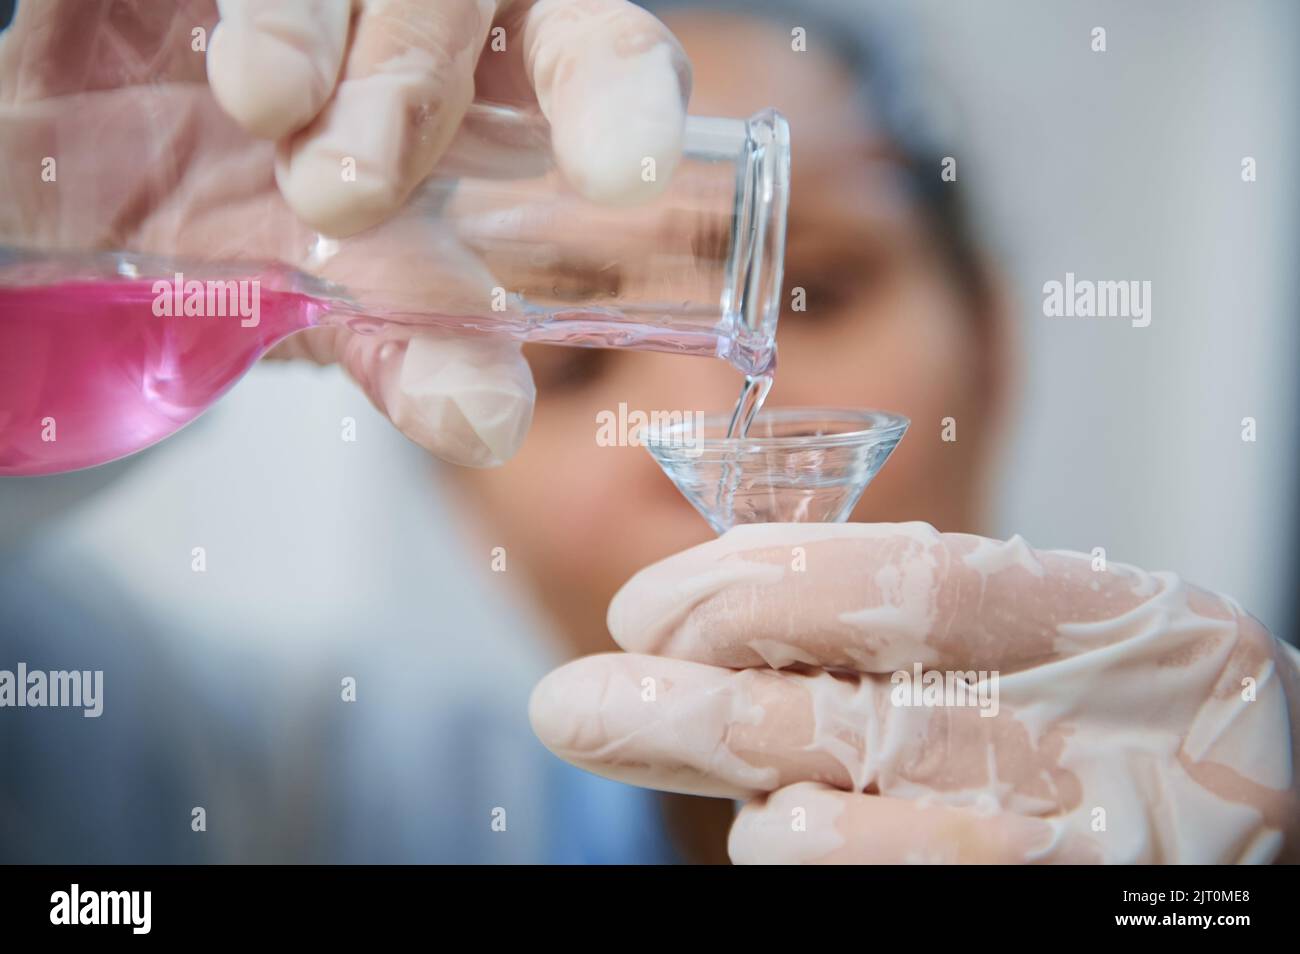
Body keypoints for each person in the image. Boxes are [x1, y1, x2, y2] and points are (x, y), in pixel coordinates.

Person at [2, 0, 1296, 864]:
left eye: (818, 291)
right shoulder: (266, 798)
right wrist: (44, 222)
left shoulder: (1215, 804)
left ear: (995, 345)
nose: (699, 426)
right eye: (565, 366)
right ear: (454, 467)